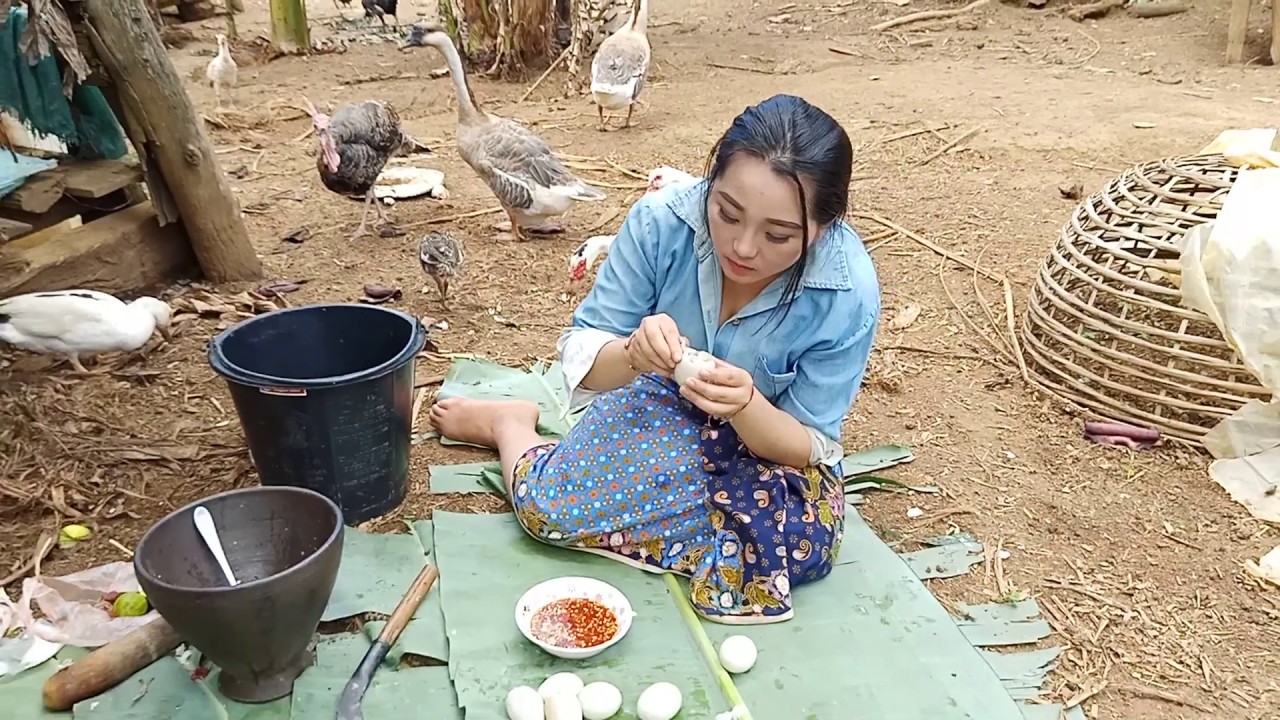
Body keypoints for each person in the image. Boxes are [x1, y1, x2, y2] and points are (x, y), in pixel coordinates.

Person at [429, 94, 881, 625]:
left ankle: (623, 485)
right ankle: (512, 428)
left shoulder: (846, 292)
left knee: (798, 543)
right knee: (548, 509)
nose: (743, 247)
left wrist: (747, 405)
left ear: (825, 227)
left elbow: (810, 445)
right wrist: (634, 353)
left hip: (767, 454)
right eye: (727, 213)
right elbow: (585, 357)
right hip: (657, 407)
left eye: (779, 235)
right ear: (710, 185)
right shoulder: (659, 223)